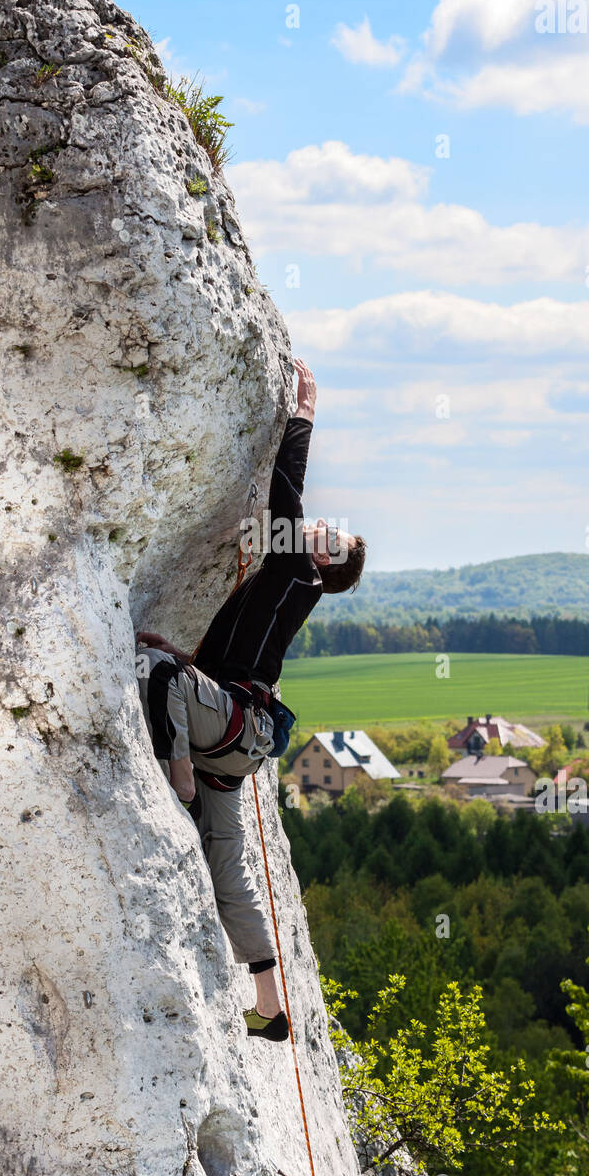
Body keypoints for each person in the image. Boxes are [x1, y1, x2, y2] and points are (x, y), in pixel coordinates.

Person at [135, 359, 366, 1042]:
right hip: (239, 739)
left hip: (226, 728)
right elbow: (239, 654)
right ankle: (270, 1007)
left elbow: (286, 495)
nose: (318, 527)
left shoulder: (299, 572)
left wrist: (304, 414)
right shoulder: (292, 584)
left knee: (157, 675)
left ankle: (178, 775)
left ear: (323, 561)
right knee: (230, 866)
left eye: (329, 536)